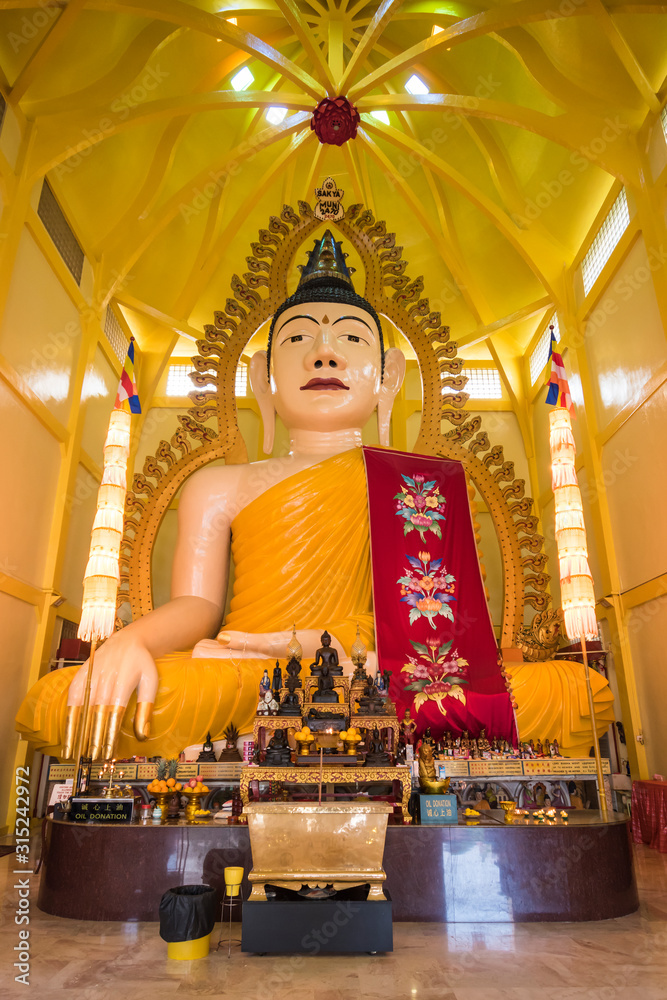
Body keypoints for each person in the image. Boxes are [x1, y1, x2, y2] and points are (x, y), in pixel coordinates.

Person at [15, 230, 614, 761]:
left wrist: (370, 654)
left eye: (350, 339)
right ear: (262, 378)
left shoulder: (425, 483)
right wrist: (130, 642)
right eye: (299, 337)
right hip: (248, 674)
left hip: (383, 675)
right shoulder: (217, 486)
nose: (323, 353)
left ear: (389, 377)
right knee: (69, 698)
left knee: (575, 689)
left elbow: (446, 636)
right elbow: (198, 609)